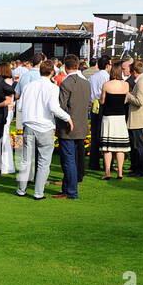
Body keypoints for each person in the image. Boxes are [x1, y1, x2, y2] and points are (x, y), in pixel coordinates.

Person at [14, 60, 71, 199]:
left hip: (29, 125)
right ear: (52, 72)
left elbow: (20, 106)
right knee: (44, 162)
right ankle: (38, 193)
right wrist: (67, 118)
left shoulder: (28, 86)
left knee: (26, 159)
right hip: (44, 127)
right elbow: (53, 108)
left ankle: (21, 190)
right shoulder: (52, 87)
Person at [53, 54, 90, 199]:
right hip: (81, 125)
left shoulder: (66, 83)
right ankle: (67, 189)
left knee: (68, 161)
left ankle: (71, 191)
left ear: (65, 67)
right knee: (72, 159)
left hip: (68, 127)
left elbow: (61, 106)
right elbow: (88, 104)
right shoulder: (86, 83)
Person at [98, 66, 130, 179]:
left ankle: (107, 173)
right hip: (120, 117)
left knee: (108, 147)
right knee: (120, 147)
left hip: (108, 117)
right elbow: (126, 100)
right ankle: (120, 172)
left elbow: (102, 101)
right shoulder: (126, 85)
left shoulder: (106, 85)